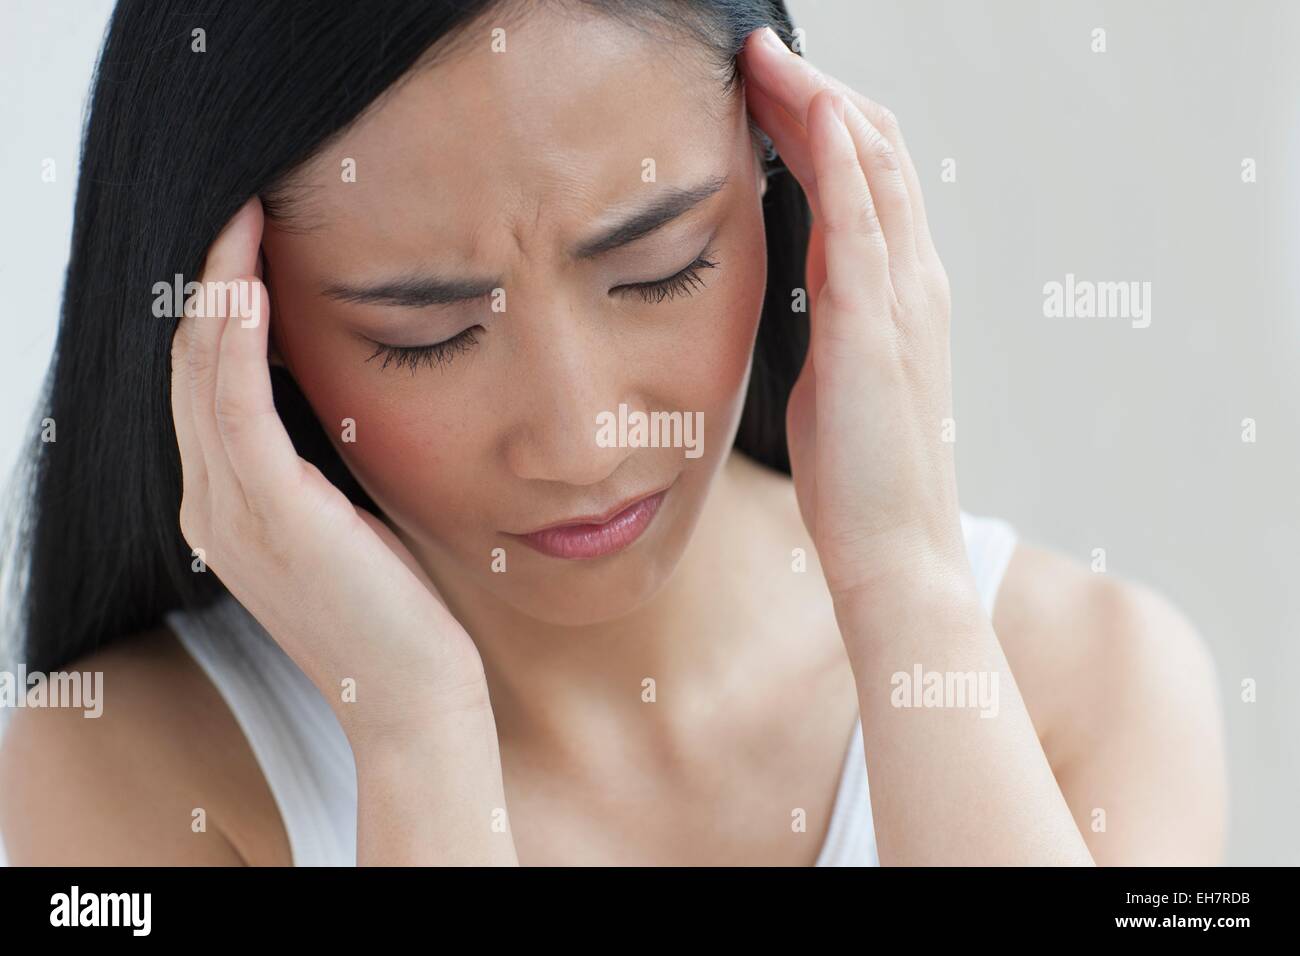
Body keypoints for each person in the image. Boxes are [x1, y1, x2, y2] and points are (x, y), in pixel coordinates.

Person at [0, 0, 1225, 866]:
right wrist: (418, 738)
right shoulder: (118, 775)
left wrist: (906, 586)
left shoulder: (1088, 685)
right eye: (424, 333)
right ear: (242, 327)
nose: (581, 442)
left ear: (783, 177)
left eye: (657, 268)